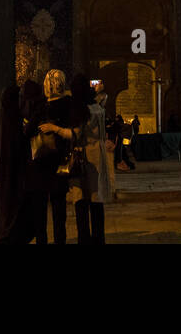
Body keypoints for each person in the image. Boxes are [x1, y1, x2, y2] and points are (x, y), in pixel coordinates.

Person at [32, 69, 75, 244]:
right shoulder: (69, 104)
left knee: (41, 209)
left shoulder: (41, 106)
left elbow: (29, 130)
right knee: (58, 210)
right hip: (59, 162)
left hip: (43, 162)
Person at [69, 74, 110, 244]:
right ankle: (99, 238)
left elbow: (76, 134)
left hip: (83, 155)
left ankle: (84, 239)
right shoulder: (98, 108)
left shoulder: (81, 110)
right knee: (96, 199)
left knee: (81, 201)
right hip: (98, 155)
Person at [0, 85, 32, 244]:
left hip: (0, 174)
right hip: (15, 174)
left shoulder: (0, 121)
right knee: (13, 209)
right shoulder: (15, 122)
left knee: (2, 209)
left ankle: (1, 236)